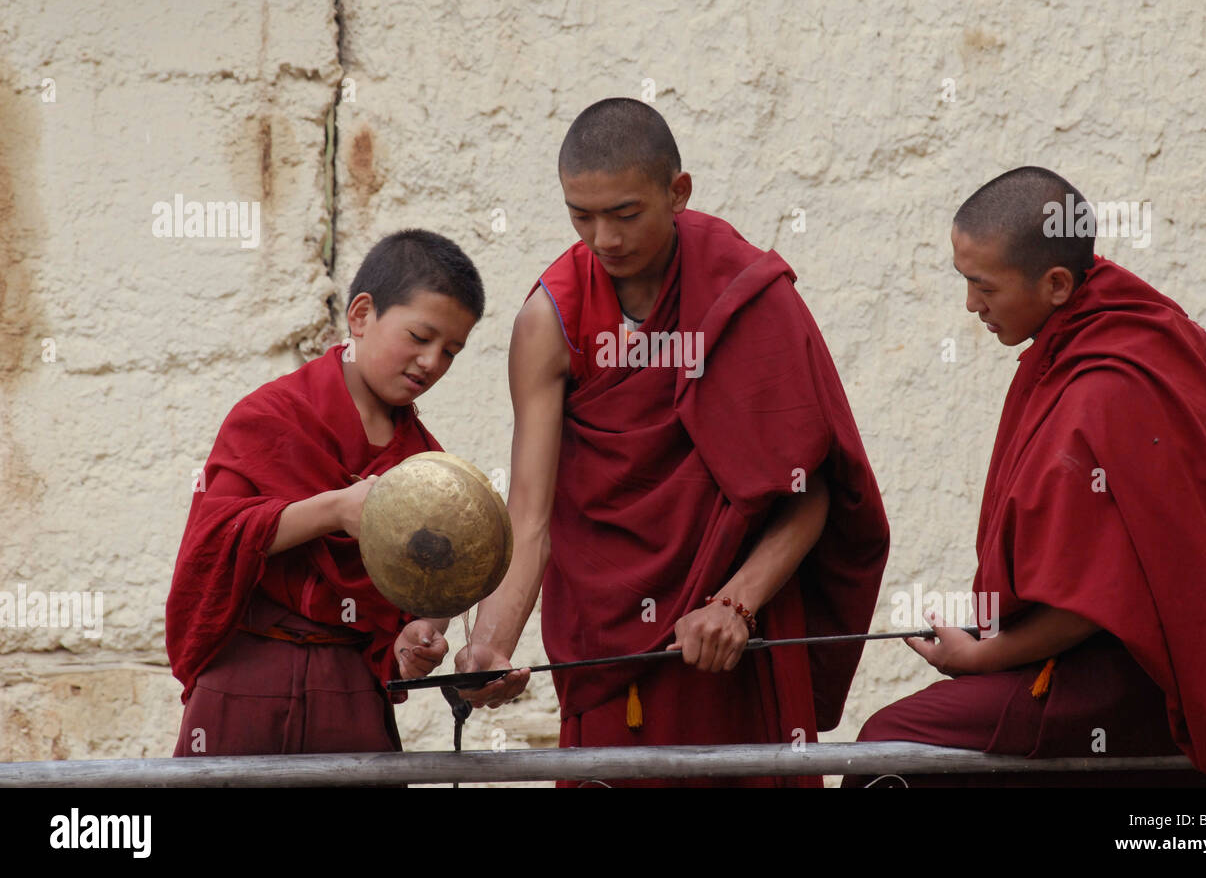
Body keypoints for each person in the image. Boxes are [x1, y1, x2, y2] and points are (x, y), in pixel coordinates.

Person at [457, 98, 890, 787]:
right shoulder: (552, 319)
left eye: (625, 214)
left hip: (732, 644)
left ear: (677, 192)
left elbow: (812, 489)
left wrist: (736, 602)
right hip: (607, 645)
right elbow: (530, 514)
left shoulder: (745, 292)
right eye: (581, 215)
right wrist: (490, 645)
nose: (603, 239)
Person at [844, 167, 1206, 787]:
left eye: (984, 287)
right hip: (1088, 658)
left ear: (1057, 284)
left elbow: (1104, 600)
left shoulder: (1111, 385)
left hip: (1144, 679)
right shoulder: (1114, 337)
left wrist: (980, 657)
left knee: (889, 750)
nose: (971, 306)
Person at [166, 229, 484, 756]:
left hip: (351, 690)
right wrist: (337, 508)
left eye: (451, 350)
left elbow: (430, 582)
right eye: (420, 337)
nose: (432, 362)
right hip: (247, 678)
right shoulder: (271, 416)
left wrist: (419, 634)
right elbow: (214, 542)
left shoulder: (427, 465)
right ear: (361, 315)